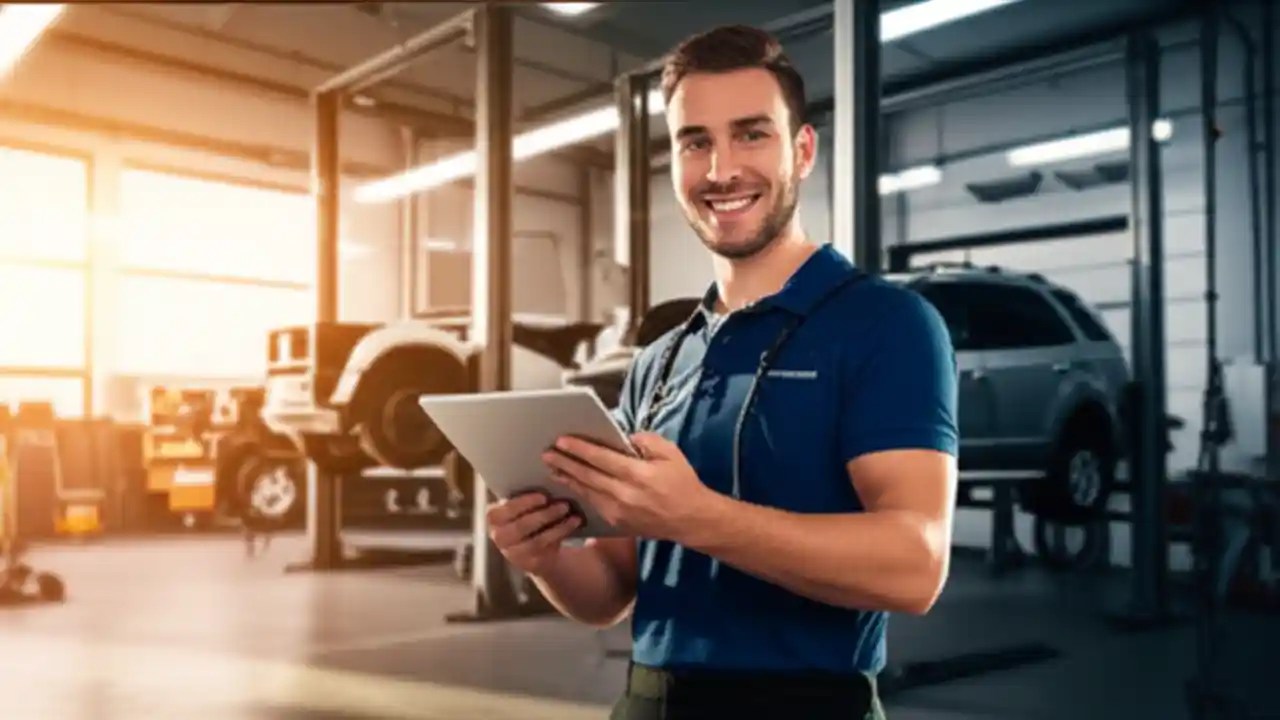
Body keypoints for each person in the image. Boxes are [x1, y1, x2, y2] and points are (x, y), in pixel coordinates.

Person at [486, 24, 958, 720]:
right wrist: (543, 555)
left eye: (751, 134)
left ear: (802, 151)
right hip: (650, 702)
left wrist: (697, 516)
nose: (720, 169)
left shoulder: (887, 325)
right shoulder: (660, 359)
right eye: (695, 141)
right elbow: (608, 593)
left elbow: (916, 565)